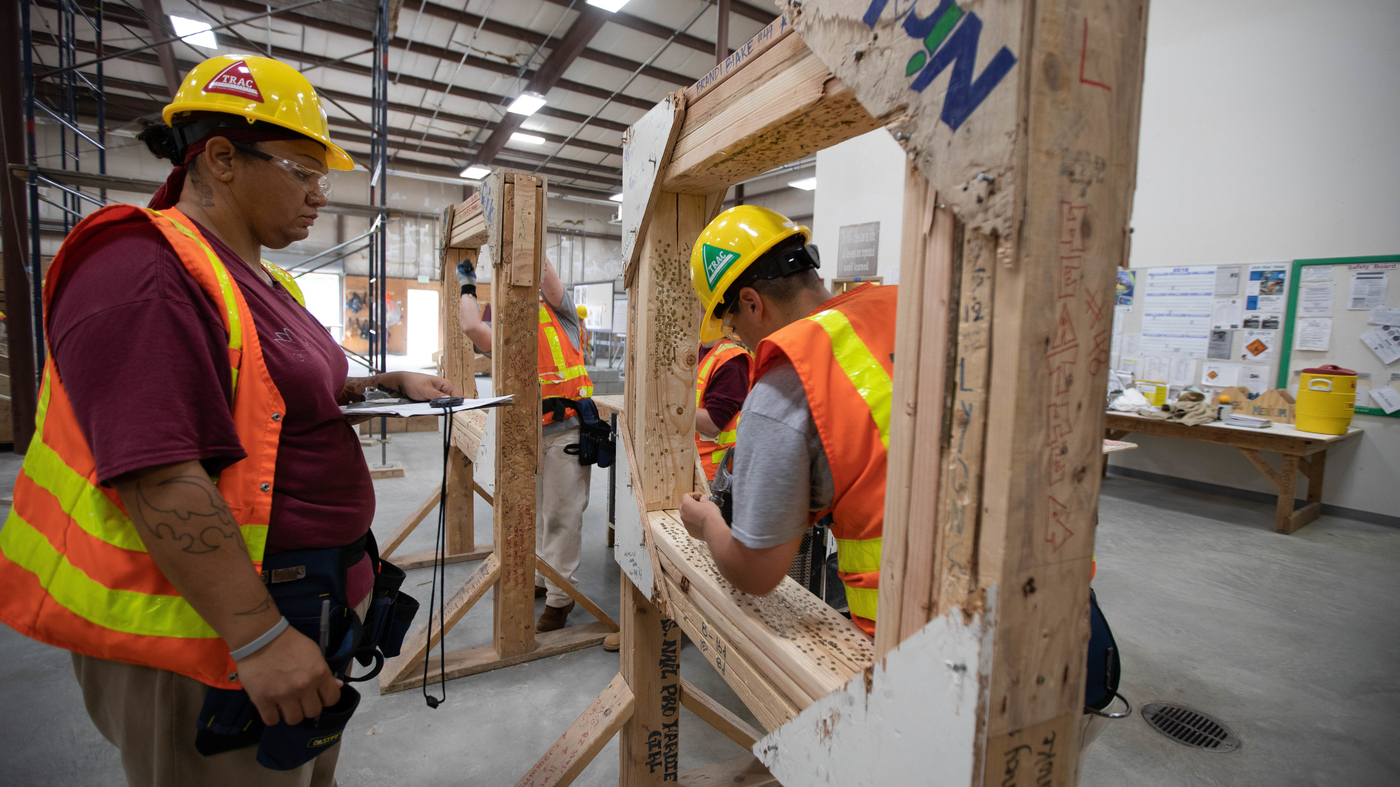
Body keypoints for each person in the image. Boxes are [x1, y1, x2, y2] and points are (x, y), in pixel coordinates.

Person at [0, 55, 457, 785]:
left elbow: (276, 390)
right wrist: (259, 635)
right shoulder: (144, 267)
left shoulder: (262, 278)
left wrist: (380, 382)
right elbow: (159, 470)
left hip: (310, 601)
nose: (318, 194)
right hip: (215, 631)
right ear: (219, 158)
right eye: (302, 170)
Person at [677, 206, 896, 637]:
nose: (738, 340)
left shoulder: (785, 383)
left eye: (733, 326)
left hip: (910, 640)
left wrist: (707, 524)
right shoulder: (903, 307)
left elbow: (756, 570)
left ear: (751, 303)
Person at [457, 255, 594, 634]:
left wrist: (525, 243)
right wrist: (467, 284)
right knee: (532, 513)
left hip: (566, 430)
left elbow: (548, 275)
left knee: (562, 516)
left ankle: (560, 598)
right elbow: (470, 325)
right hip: (526, 433)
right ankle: (541, 577)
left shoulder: (563, 316)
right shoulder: (507, 327)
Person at [694, 337, 751, 482]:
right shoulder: (697, 349)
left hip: (711, 475)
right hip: (691, 464)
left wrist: (671, 407)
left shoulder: (732, 361)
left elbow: (713, 424)